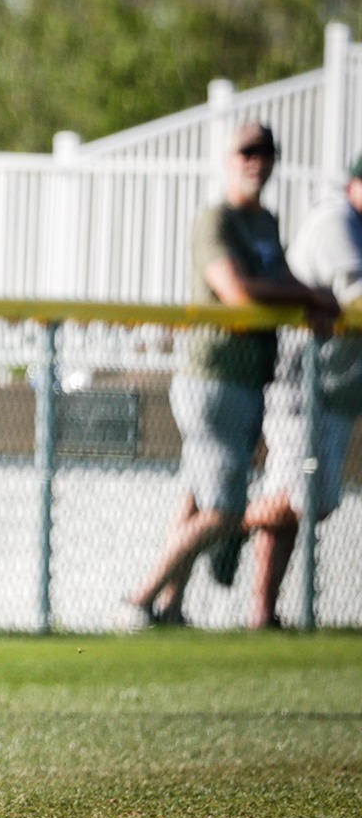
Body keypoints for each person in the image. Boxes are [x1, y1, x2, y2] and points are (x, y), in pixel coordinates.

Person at [127, 123, 337, 627]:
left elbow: (282, 277)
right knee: (223, 510)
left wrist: (313, 295)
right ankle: (136, 600)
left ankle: (170, 608)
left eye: (266, 151)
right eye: (247, 151)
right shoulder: (214, 219)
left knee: (197, 499)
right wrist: (308, 297)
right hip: (213, 378)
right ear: (227, 158)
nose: (257, 160)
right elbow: (237, 292)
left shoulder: (265, 221)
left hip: (250, 379)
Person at [238, 151, 362, 628]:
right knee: (294, 497)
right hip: (301, 389)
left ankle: (262, 606)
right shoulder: (336, 219)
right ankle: (228, 524)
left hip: (334, 391)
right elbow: (354, 293)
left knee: (316, 501)